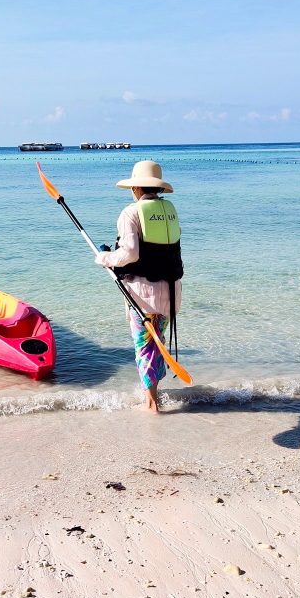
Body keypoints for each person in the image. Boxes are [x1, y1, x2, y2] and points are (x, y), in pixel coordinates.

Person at [94, 161, 183, 412]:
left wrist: (106, 258)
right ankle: (154, 396)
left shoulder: (130, 212)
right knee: (157, 343)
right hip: (171, 292)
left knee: (145, 347)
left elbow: (130, 253)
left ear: (135, 189)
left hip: (143, 297)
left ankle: (152, 404)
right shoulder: (170, 209)